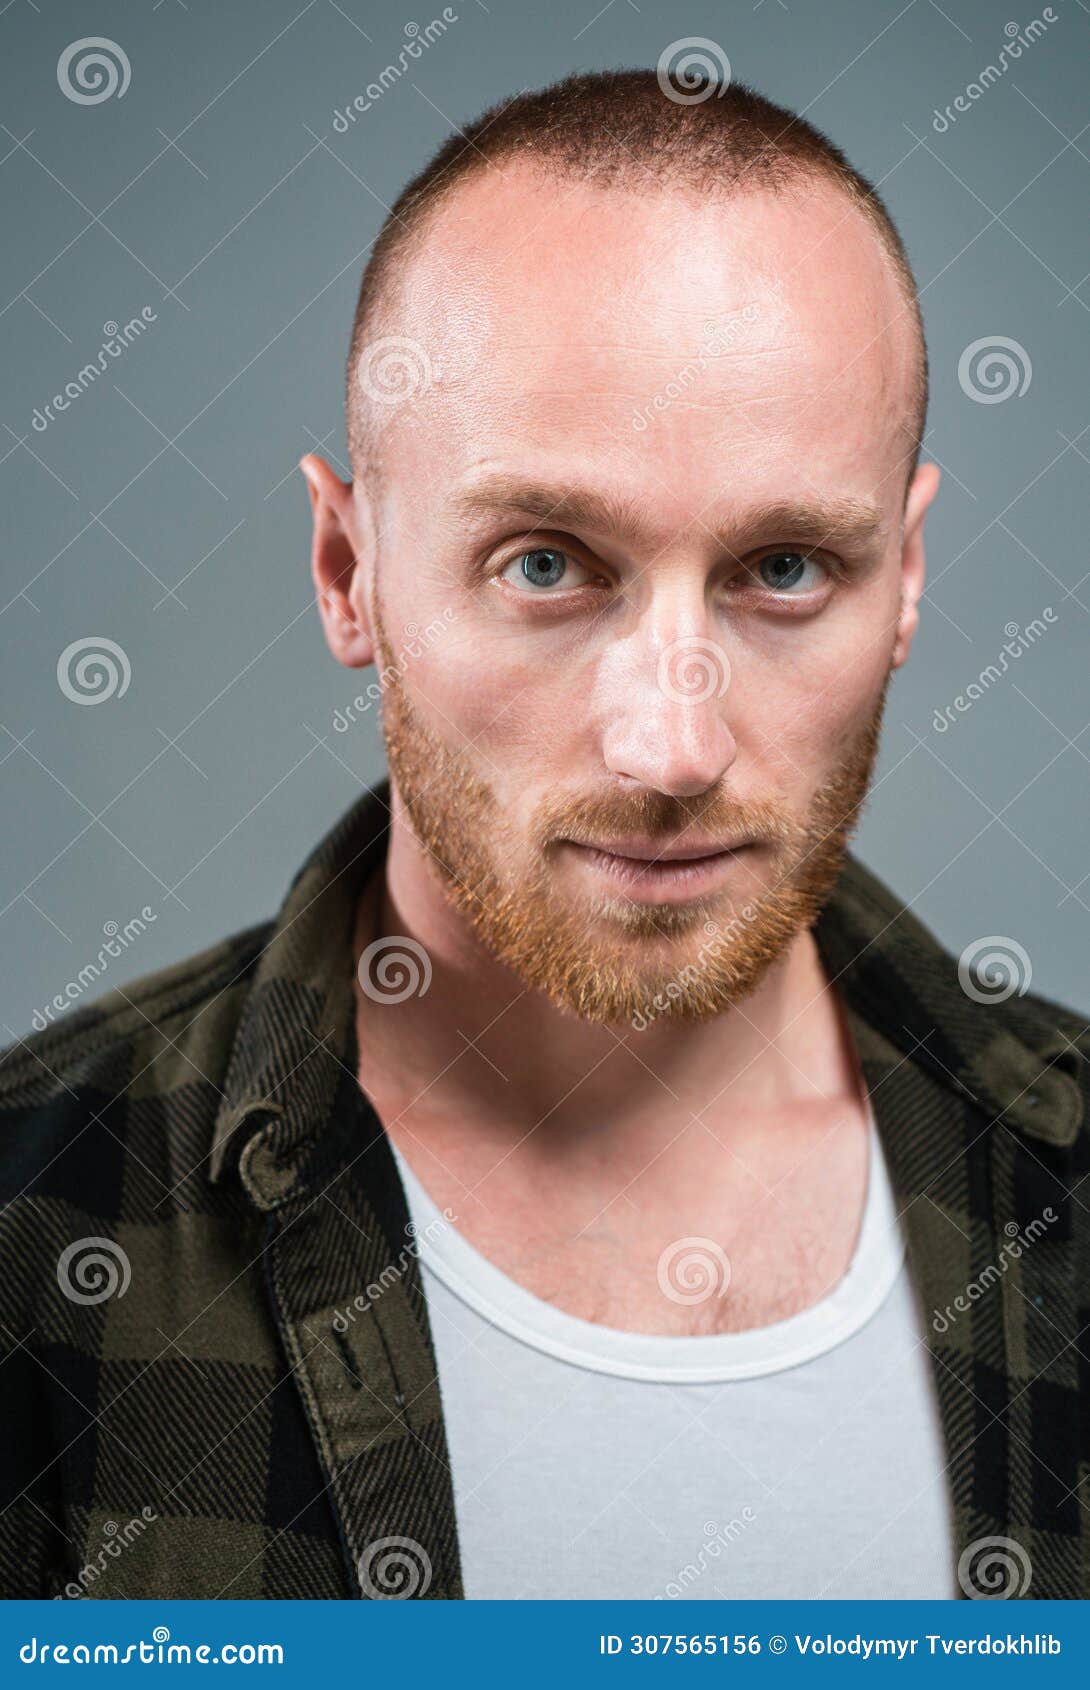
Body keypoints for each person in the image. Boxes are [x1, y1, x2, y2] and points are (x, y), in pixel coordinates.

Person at [1, 70, 1085, 1603]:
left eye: (782, 567)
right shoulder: (35, 1236)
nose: (672, 748)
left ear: (902, 579)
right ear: (346, 569)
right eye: (544, 565)